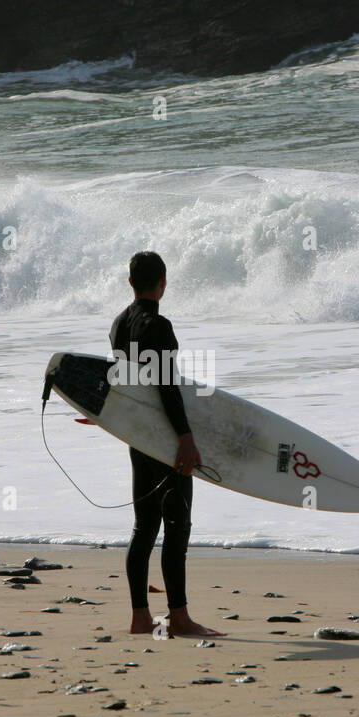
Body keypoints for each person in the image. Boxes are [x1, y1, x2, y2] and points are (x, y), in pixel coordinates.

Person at [109, 251, 224, 637]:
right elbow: (166, 386)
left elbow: (125, 386)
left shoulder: (118, 325)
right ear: (163, 283)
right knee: (177, 526)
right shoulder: (158, 325)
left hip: (137, 438)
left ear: (130, 283)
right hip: (164, 440)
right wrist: (186, 439)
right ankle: (180, 617)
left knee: (144, 528)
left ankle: (140, 617)